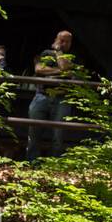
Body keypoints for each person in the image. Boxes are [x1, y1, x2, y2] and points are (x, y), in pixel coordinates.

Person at [26, 30, 75, 163]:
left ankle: (54, 165)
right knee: (34, 131)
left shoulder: (73, 56)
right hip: (42, 95)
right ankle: (32, 162)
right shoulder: (46, 53)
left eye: (67, 41)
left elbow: (66, 68)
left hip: (62, 98)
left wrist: (59, 53)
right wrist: (61, 72)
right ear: (56, 39)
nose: (64, 43)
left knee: (58, 135)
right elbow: (39, 69)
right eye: (61, 40)